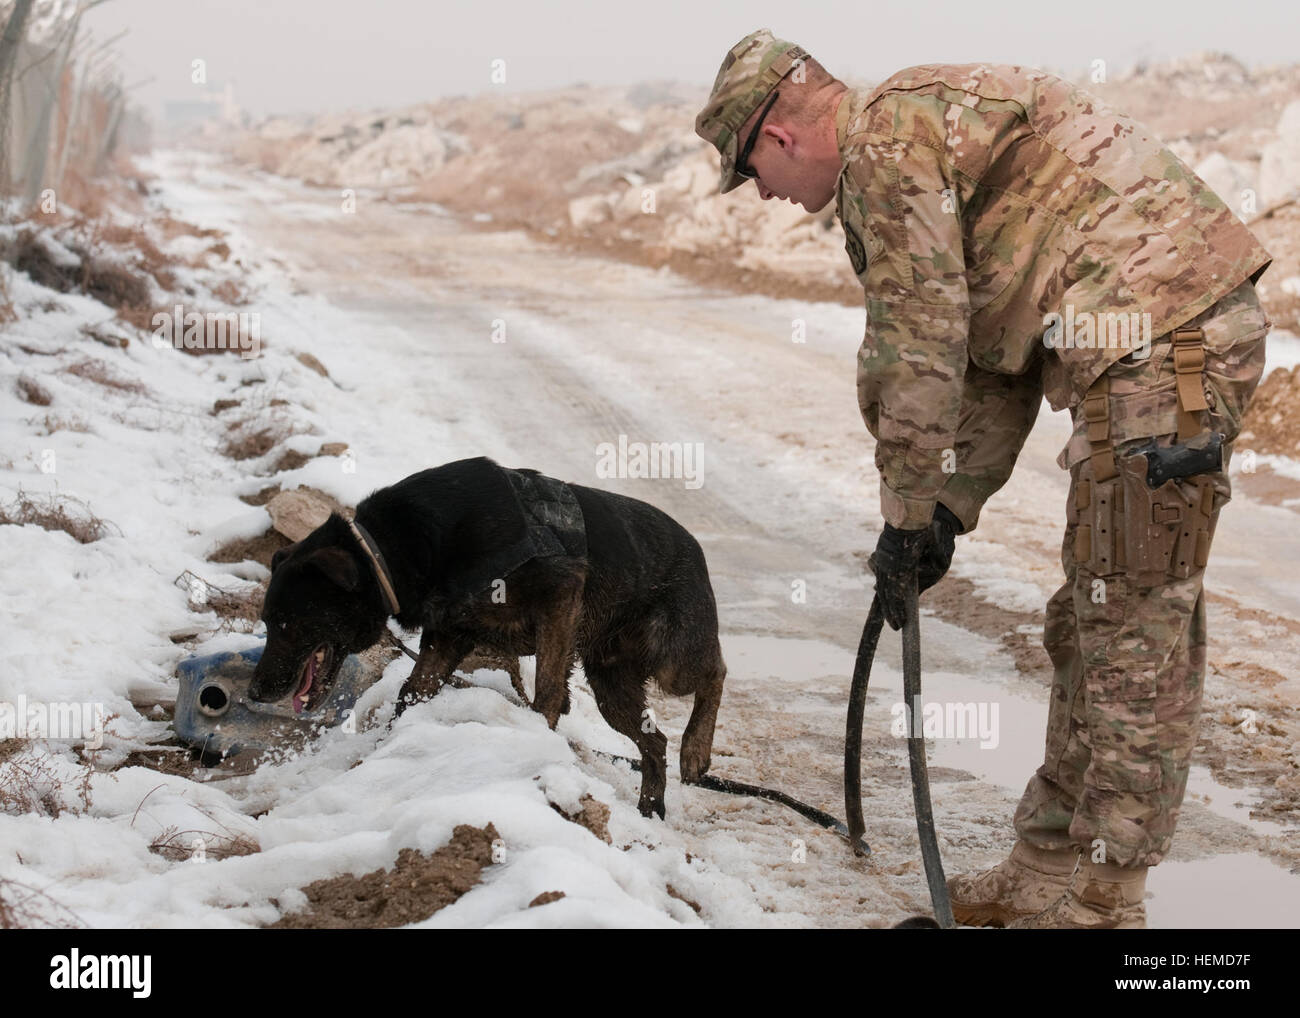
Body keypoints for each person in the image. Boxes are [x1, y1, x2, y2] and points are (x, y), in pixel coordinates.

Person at [695, 29, 1272, 928]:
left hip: (1174, 342)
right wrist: (948, 513)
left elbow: (915, 348)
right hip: (1140, 340)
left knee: (1130, 622)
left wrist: (903, 512)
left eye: (753, 174)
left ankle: (1110, 900)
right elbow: (988, 361)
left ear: (779, 136)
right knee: (1088, 613)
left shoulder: (884, 149)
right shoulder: (912, 132)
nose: (767, 196)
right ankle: (1044, 866)